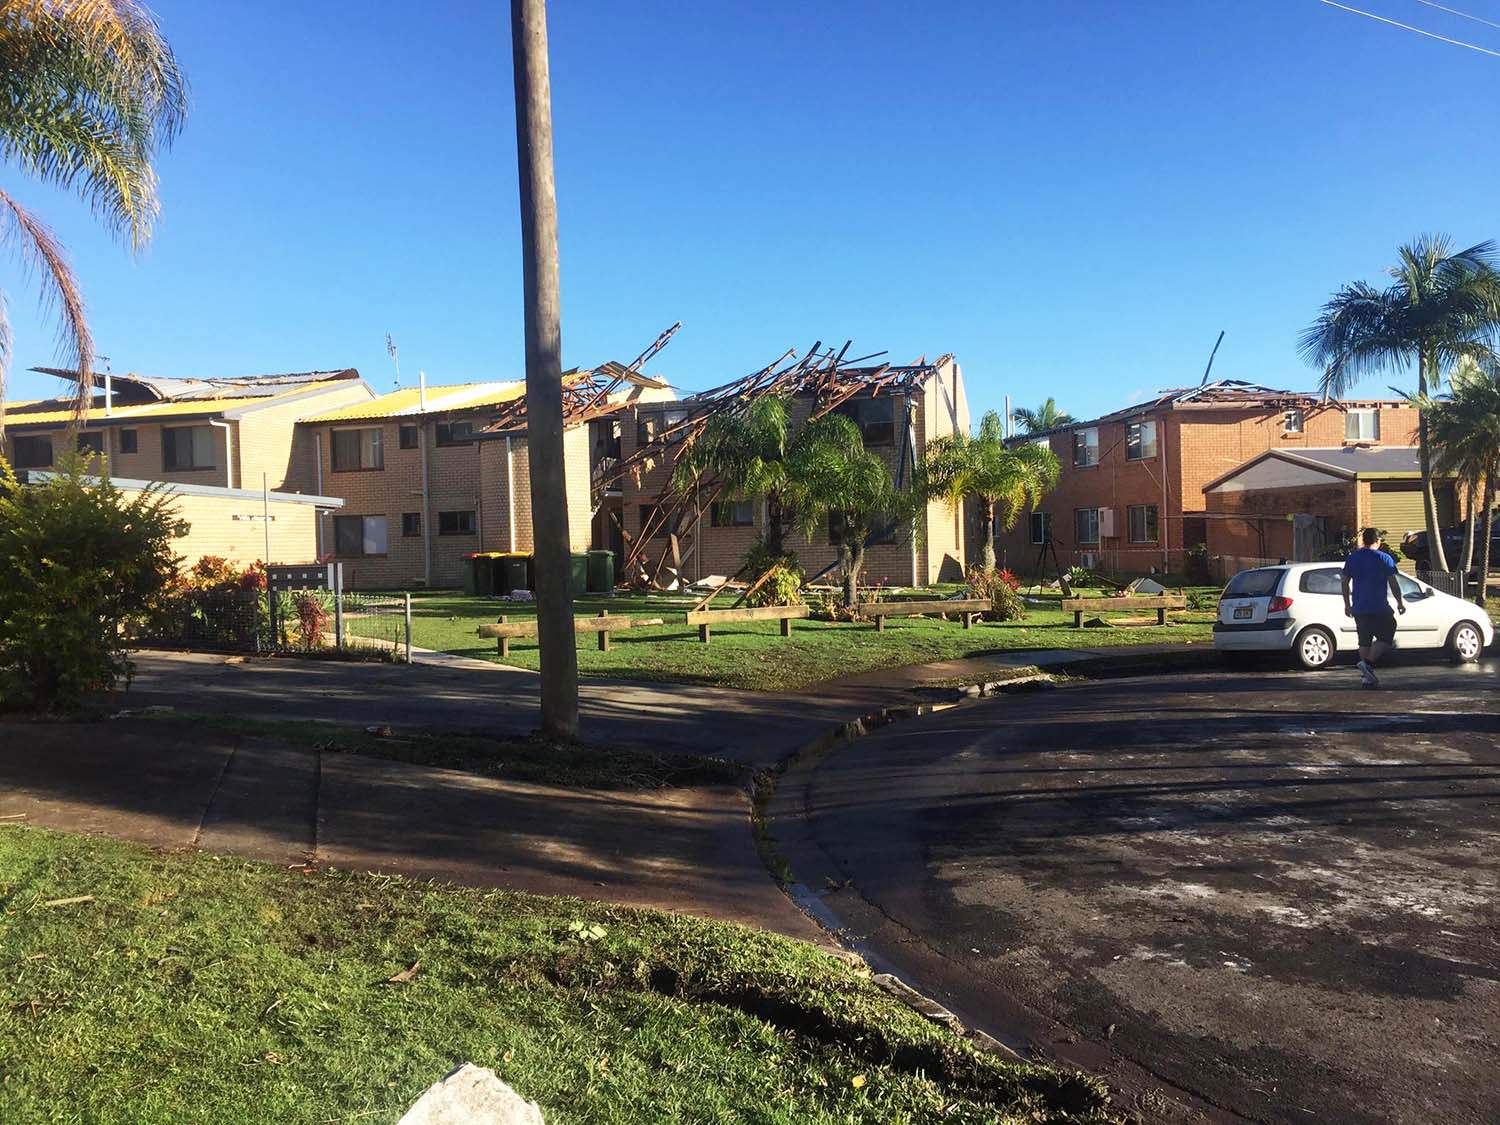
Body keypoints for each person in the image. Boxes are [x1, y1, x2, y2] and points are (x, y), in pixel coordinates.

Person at [1340, 528, 1405, 688]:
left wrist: (1347, 604)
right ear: (1377, 541)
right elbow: (1393, 583)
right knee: (1387, 634)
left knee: (1364, 641)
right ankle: (1367, 663)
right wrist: (1400, 602)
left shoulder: (1353, 558)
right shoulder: (1384, 558)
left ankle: (1366, 677)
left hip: (1360, 607)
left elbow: (1344, 582)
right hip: (1379, 607)